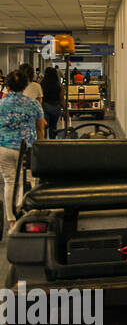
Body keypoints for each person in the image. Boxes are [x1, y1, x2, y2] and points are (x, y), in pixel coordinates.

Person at [0, 70, 45, 234]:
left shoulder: (1, 104)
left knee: (9, 181)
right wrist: (40, 145)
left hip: (4, 147)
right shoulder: (32, 103)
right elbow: (40, 126)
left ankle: (12, 222)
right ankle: (24, 218)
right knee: (26, 182)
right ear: (26, 85)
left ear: (8, 85)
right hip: (26, 148)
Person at [40, 67, 63, 138]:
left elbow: (40, 97)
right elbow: (61, 99)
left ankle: (44, 144)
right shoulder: (59, 85)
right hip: (56, 107)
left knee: (44, 127)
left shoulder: (41, 84)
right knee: (53, 127)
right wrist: (65, 110)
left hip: (45, 106)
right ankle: (52, 143)